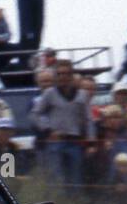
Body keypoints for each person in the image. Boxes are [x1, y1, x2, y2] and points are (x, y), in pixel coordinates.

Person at [31, 59, 91, 189]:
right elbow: (35, 113)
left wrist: (91, 142)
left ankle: (75, 201)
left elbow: (88, 119)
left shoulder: (82, 95)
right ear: (56, 76)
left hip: (75, 142)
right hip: (56, 142)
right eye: (59, 74)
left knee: (75, 180)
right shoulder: (49, 93)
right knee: (56, 180)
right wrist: (47, 130)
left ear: (71, 75)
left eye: (66, 73)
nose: (63, 76)